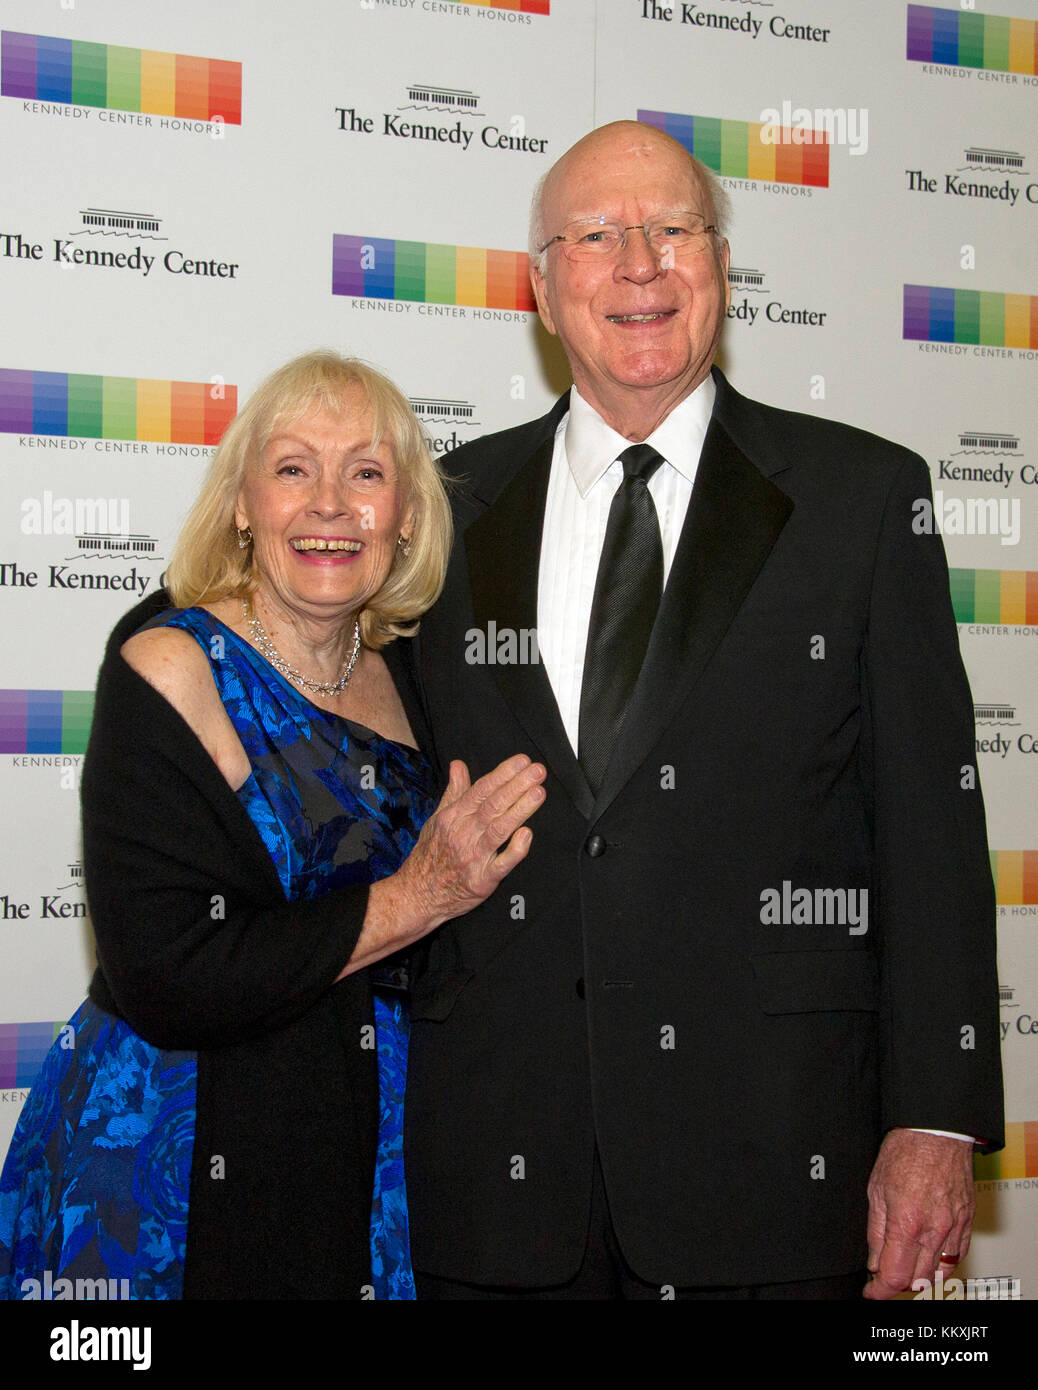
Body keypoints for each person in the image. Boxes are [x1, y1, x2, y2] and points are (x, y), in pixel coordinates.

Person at [403, 122, 1004, 1300]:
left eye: (674, 229)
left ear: (722, 266)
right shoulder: (445, 508)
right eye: (597, 236)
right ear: (541, 284)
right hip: (503, 1178)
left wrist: (935, 1120)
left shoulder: (863, 500)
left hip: (776, 1170)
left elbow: (933, 831)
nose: (640, 263)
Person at [0, 350, 546, 1301]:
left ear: (406, 516)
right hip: (184, 1147)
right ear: (242, 504)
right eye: (293, 469)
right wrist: (418, 897)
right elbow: (166, 974)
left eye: (366, 474)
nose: (329, 504)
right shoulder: (173, 666)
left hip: (365, 1141)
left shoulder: (422, 673)